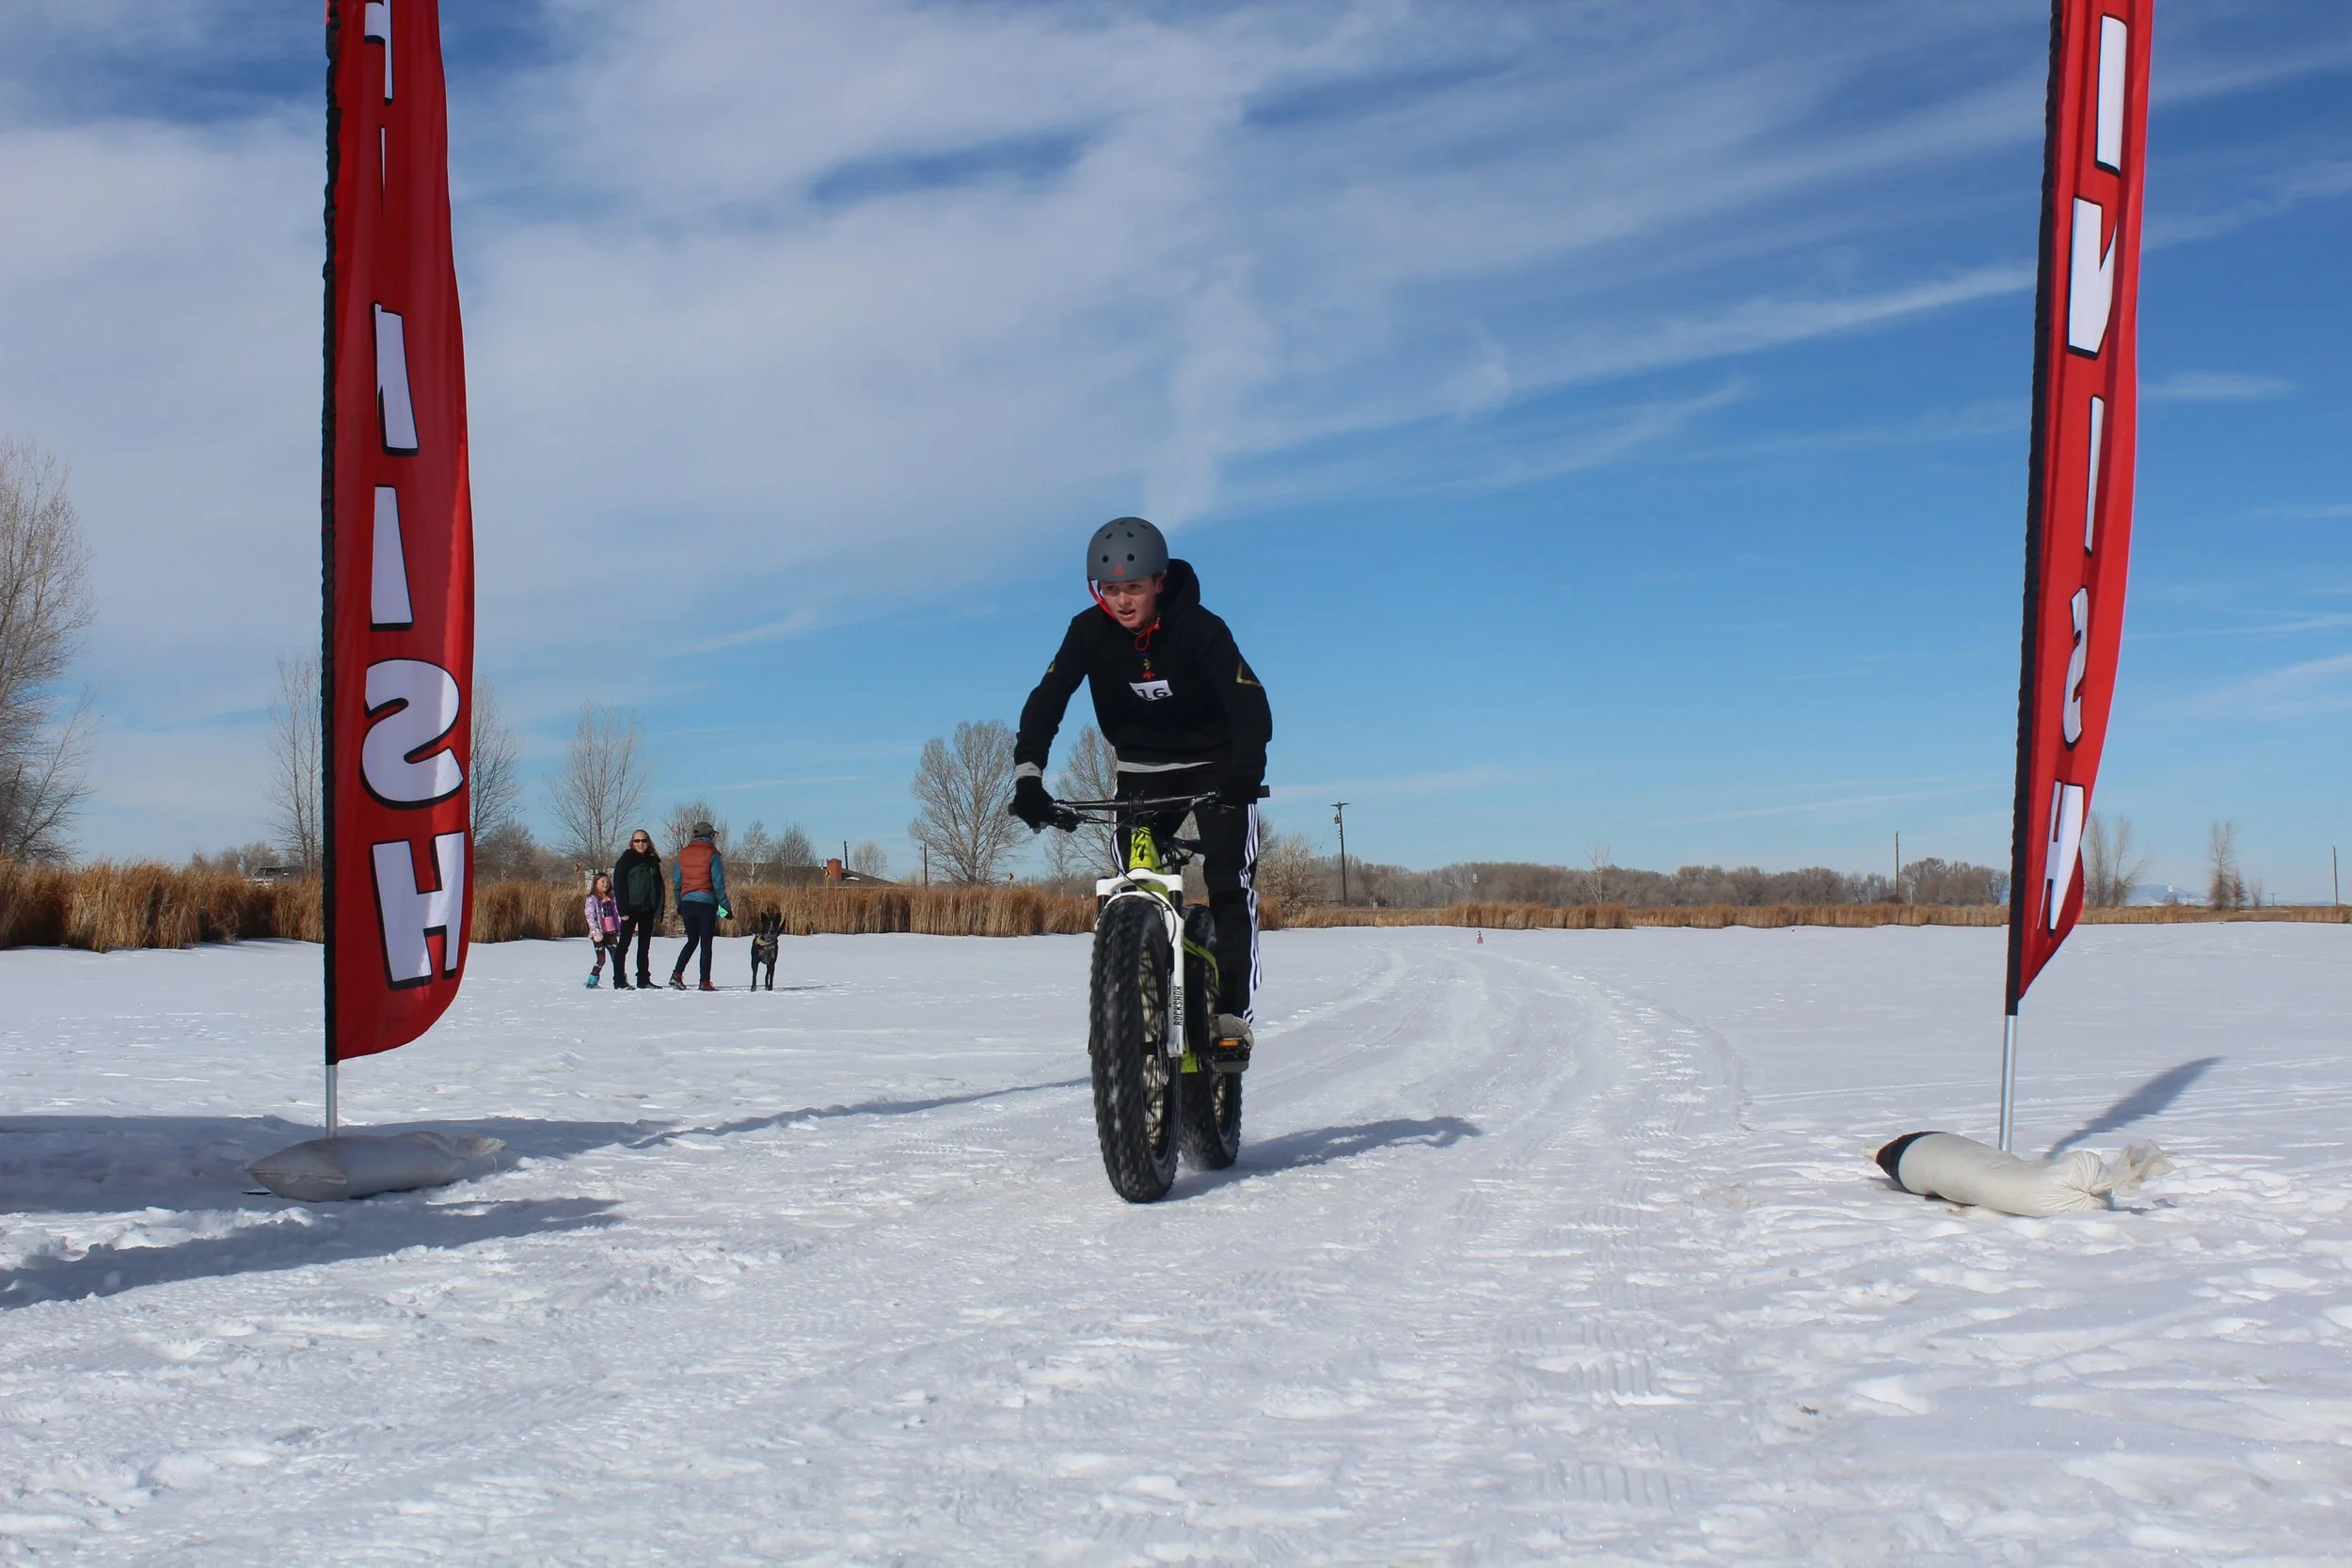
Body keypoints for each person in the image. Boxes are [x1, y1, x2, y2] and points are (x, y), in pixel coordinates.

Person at [1010, 516, 1271, 1068]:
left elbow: (1250, 702)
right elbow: (1048, 698)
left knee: (1228, 878)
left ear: (1157, 582)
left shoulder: (1200, 627)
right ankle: (1136, 993)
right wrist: (1027, 776)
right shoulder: (1087, 631)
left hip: (1215, 766)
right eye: (1110, 589)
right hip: (1142, 770)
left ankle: (1230, 1012)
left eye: (1133, 587)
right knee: (1132, 880)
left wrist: (1244, 774)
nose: (1122, 601)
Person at [669, 821, 730, 992]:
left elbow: (676, 882)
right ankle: (704, 981)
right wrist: (726, 908)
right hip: (706, 904)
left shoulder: (682, 854)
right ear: (710, 835)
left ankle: (677, 973)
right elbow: (718, 883)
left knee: (691, 940)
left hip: (687, 902)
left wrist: (679, 903)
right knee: (705, 944)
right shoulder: (712, 854)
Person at [610, 829, 664, 990]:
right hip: (631, 909)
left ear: (648, 842)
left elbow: (660, 887)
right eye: (637, 841)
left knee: (644, 946)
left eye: (644, 840)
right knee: (623, 945)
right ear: (632, 843)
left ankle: (643, 979)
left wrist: (659, 909)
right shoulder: (625, 861)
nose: (641, 844)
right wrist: (623, 910)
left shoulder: (653, 861)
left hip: (648, 909)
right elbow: (619, 886)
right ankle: (619, 980)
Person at [583, 872, 622, 990]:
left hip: (611, 933)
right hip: (599, 935)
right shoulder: (592, 899)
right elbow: (590, 916)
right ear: (596, 884)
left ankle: (620, 980)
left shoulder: (612, 898)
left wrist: (622, 926)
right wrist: (595, 931)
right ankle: (592, 980)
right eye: (602, 882)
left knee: (618, 959)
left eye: (607, 882)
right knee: (601, 959)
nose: (605, 884)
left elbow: (618, 914)